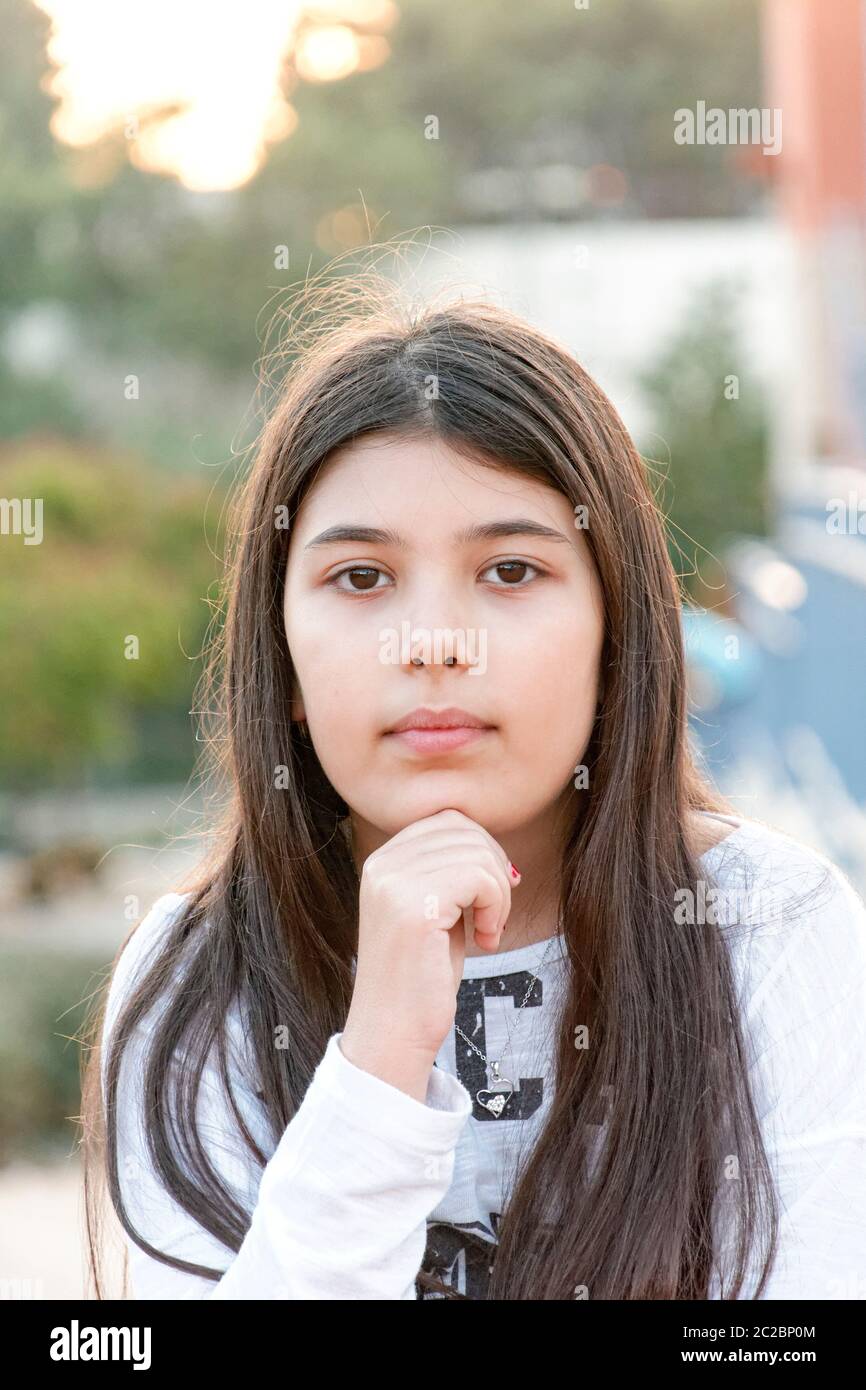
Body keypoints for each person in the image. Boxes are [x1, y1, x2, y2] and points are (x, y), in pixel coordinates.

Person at [83, 264, 866, 1300]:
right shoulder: (197, 979)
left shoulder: (766, 927)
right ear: (284, 655)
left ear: (613, 627)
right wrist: (378, 1063)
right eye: (360, 578)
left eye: (510, 571)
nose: (433, 643)